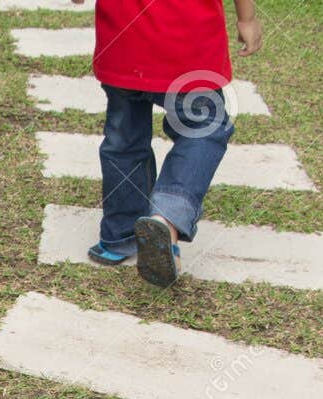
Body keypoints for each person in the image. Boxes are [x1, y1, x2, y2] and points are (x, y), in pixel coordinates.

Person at [85, 0, 263, 287]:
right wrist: (247, 18)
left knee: (124, 141)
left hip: (122, 43)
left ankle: (120, 235)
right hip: (188, 48)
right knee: (205, 127)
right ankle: (167, 219)